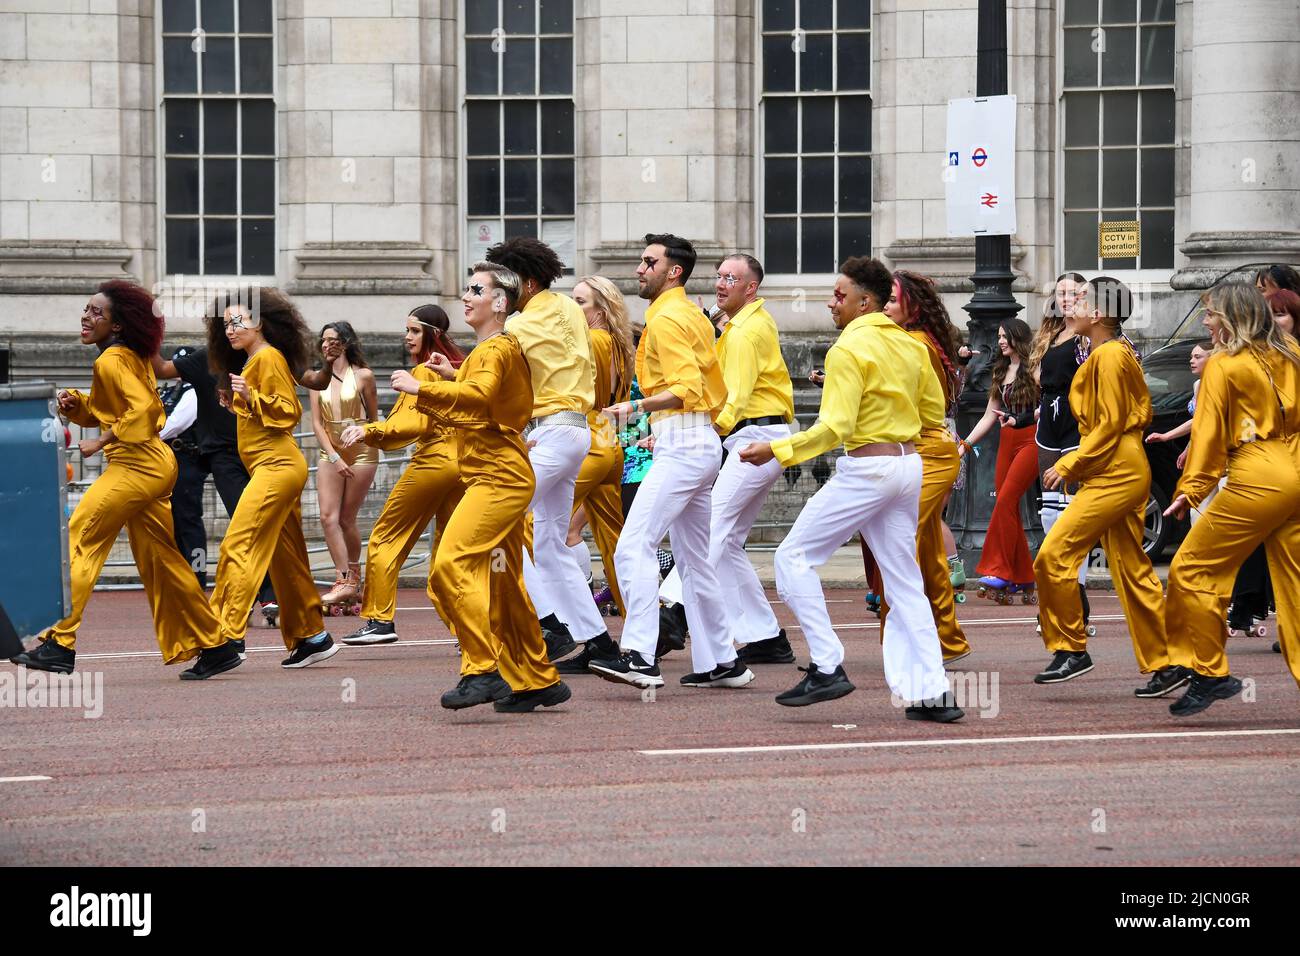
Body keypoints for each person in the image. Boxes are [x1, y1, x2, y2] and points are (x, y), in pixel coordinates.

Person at [739, 256, 961, 722]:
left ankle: (826, 665)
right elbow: (931, 413)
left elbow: (833, 428)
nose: (831, 302)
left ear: (866, 302)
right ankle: (932, 692)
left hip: (868, 470)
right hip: (907, 466)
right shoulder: (911, 346)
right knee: (904, 581)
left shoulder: (847, 349)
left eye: (840, 295)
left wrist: (775, 452)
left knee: (791, 558)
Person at [12, 281, 237, 679]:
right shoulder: (125, 357)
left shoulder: (112, 360)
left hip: (136, 465)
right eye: (86, 309)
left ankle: (59, 643)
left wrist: (99, 441)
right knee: (163, 561)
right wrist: (79, 404)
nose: (86, 316)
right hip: (150, 465)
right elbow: (114, 410)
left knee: (78, 540)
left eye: (97, 312)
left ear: (117, 326)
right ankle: (216, 644)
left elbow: (146, 411)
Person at [391, 263, 570, 712]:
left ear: (500, 303)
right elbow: (483, 391)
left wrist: (421, 389)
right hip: (496, 473)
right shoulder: (488, 349)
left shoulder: (496, 348)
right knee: (503, 582)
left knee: (449, 567)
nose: (466, 296)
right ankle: (537, 679)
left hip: (499, 478)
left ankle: (481, 669)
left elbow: (482, 397)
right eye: (466, 289)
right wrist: (451, 374)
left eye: (476, 290)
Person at [588, 233, 754, 691]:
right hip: (696, 442)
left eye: (648, 262)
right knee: (696, 560)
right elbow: (704, 393)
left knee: (632, 545)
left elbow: (686, 388)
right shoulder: (691, 316)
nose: (640, 270)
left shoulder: (667, 320)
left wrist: (636, 410)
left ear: (673, 271)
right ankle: (724, 661)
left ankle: (640, 657)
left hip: (684, 445)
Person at [652, 253, 796, 668]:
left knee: (712, 527)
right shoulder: (737, 327)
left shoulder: (747, 332)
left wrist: (700, 432)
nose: (720, 284)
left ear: (751, 288)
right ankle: (765, 636)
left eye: (730, 278)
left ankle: (673, 613)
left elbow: (733, 397)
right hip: (754, 437)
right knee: (728, 541)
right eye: (718, 276)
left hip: (757, 438)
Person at [1163, 281, 1300, 715]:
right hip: (1296, 466)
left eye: (1210, 313)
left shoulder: (1224, 365)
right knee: (1294, 587)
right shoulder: (1292, 350)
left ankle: (1210, 672)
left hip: (1257, 474)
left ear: (1229, 318)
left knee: (1190, 569)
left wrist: (1191, 490)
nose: (1205, 321)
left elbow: (1209, 436)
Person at [1036, 277, 1173, 690]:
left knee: (1053, 556)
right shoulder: (1109, 352)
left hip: (1113, 470)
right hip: (1119, 467)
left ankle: (1071, 648)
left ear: (1097, 314)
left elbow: (1110, 423)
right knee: (1132, 569)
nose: (1070, 305)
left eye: (1079, 300)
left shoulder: (1110, 356)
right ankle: (1167, 662)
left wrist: (1072, 463)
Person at [485, 237, 614, 665]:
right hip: (577, 430)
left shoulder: (517, 327)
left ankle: (549, 626)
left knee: (493, 526)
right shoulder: (569, 309)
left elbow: (499, 383)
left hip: (547, 433)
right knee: (551, 544)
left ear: (527, 280)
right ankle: (598, 643)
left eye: (504, 281)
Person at [205, 288, 338, 668]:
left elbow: (286, 412)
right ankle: (312, 636)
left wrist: (251, 399)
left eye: (237, 322)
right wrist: (240, 401)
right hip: (274, 468)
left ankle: (224, 636)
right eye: (225, 324)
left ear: (258, 322)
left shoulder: (266, 358)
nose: (230, 330)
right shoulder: (253, 363)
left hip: (276, 468)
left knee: (240, 544)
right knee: (286, 560)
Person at [337, 305, 467, 645]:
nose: (406, 337)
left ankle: (379, 620)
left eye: (414, 331)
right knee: (446, 556)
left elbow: (414, 423)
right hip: (465, 465)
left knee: (385, 536)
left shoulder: (425, 371)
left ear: (432, 335)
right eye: (407, 330)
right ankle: (471, 633)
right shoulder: (458, 366)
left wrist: (369, 430)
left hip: (435, 461)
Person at [878, 270, 970, 665]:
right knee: (927, 550)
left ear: (911, 306)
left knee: (899, 546)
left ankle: (903, 643)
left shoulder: (911, 343)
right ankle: (947, 640)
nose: (884, 305)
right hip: (923, 450)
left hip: (928, 452)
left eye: (891, 300)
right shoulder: (917, 339)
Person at [152, 343, 278, 623]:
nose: (232, 331)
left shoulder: (264, 355)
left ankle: (265, 593)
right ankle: (236, 593)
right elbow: (160, 369)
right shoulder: (198, 367)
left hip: (254, 449)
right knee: (234, 525)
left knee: (257, 524)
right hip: (217, 455)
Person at [554, 276, 633, 673]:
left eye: (580, 302)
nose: (573, 308)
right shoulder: (615, 342)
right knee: (615, 544)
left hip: (590, 439)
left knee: (539, 527)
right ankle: (639, 631)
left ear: (600, 310)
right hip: (608, 443)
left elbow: (585, 396)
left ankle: (566, 627)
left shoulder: (597, 341)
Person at [959, 317, 1040, 602]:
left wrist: (1022, 418)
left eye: (1005, 336)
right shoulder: (1001, 370)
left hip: (1030, 439)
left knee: (1006, 501)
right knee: (1007, 508)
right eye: (999, 336)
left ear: (1018, 337)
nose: (1001, 341)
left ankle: (999, 570)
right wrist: (965, 445)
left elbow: (1043, 409)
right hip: (1007, 440)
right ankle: (1024, 578)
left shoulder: (1035, 367)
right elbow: (987, 416)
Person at [1030, 273, 1092, 618]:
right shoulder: (1051, 334)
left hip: (1074, 422)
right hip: (1049, 423)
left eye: (1072, 293)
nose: (1065, 298)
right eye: (1060, 293)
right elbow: (1038, 377)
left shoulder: (1086, 337)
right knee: (1049, 511)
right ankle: (1056, 591)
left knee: (1072, 513)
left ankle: (1076, 594)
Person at [309, 322, 379, 608]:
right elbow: (316, 422)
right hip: (331, 450)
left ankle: (354, 576)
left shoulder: (364, 376)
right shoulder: (315, 378)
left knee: (346, 518)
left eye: (334, 340)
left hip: (361, 449)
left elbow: (374, 419)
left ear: (346, 343)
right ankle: (343, 579)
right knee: (328, 517)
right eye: (324, 340)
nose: (327, 345)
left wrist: (366, 438)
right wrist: (334, 456)